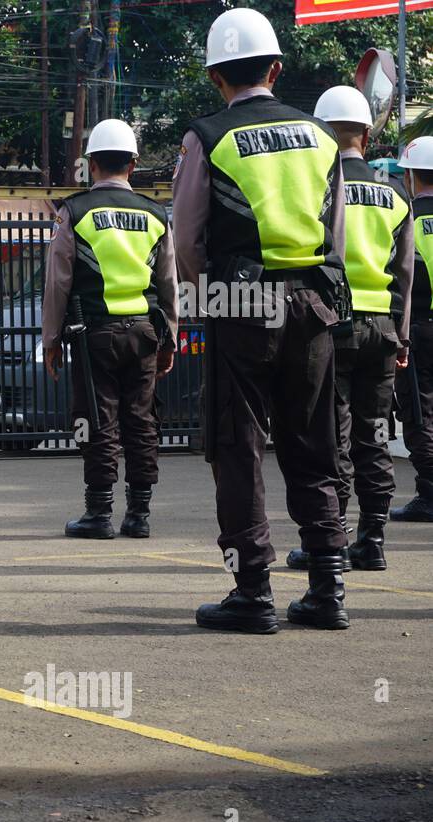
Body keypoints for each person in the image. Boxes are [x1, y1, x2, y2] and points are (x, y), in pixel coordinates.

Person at [173, 8, 350, 634]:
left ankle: (252, 591)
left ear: (215, 74)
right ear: (276, 68)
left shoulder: (209, 136)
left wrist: (206, 298)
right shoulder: (322, 137)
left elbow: (188, 240)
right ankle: (328, 588)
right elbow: (336, 236)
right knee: (314, 442)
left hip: (240, 304)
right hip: (315, 303)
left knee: (237, 444)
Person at [282, 87, 412, 573]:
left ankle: (330, 542)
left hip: (333, 329)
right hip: (381, 329)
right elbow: (405, 274)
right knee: (373, 437)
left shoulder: (316, 181)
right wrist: (400, 335)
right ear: (367, 130)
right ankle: (373, 541)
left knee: (329, 441)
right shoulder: (395, 191)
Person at [42, 118, 179, 540]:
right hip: (143, 333)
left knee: (97, 421)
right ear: (134, 165)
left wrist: (50, 341)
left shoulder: (76, 212)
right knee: (141, 421)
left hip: (93, 335)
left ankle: (98, 514)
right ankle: (139, 514)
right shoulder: (156, 215)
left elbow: (58, 282)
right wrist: (170, 337)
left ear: (91, 164)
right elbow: (169, 283)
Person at [392, 136, 433, 522]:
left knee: (421, 414)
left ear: (410, 177)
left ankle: (430, 493)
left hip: (419, 329)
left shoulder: (407, 218)